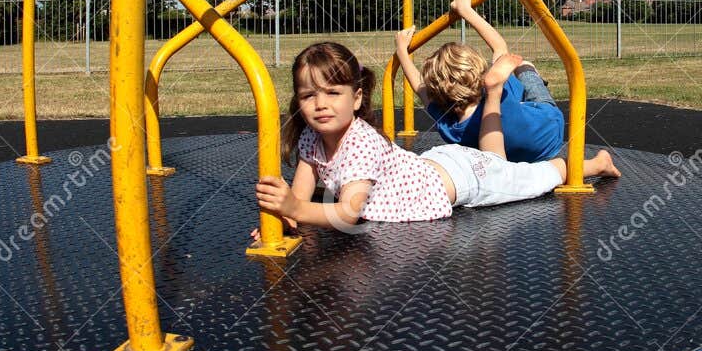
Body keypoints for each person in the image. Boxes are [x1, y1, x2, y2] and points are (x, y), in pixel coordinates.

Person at [254, 41, 618, 230]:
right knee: (498, 160)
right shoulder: (310, 139)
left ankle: (593, 163)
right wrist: (283, 220)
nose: (320, 105)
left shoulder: (362, 143)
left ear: (357, 97)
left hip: (466, 179)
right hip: (436, 163)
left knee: (533, 176)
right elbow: (300, 194)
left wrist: (295, 209)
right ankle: (493, 95)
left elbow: (348, 212)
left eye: (333, 94)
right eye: (308, 96)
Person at [393, 0, 564, 162]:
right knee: (524, 65)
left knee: (515, 97)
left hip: (520, 159)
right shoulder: (496, 89)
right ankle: (528, 72)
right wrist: (465, 10)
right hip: (551, 130)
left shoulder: (448, 125)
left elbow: (418, 87)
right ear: (479, 72)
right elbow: (499, 46)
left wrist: (401, 50)